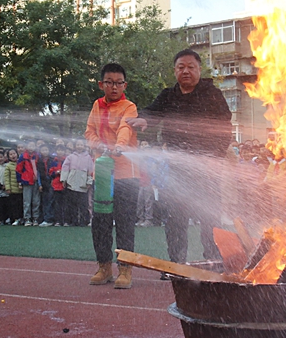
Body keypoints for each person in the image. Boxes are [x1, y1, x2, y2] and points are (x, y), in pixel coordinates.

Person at [128, 49, 233, 265]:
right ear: (175, 71)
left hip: (207, 168)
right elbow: (152, 111)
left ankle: (213, 260)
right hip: (178, 168)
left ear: (199, 69)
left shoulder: (212, 94)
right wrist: (144, 120)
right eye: (180, 67)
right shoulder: (168, 95)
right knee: (175, 218)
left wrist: (215, 158)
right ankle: (177, 263)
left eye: (190, 67)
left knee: (209, 217)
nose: (185, 71)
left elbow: (224, 128)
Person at [85, 63, 140, 289]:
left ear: (124, 85)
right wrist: (99, 145)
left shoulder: (129, 106)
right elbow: (89, 131)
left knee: (125, 223)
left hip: (126, 173)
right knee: (100, 223)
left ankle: (125, 270)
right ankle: (104, 266)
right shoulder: (96, 106)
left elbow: (126, 129)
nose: (114, 87)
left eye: (118, 83)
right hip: (103, 174)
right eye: (109, 82)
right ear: (101, 84)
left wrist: (119, 146)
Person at [61, 139, 94, 226]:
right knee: (72, 204)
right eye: (78, 145)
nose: (79, 146)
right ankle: (73, 221)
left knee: (83, 204)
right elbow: (65, 168)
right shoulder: (70, 157)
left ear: (84, 146)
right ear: (75, 146)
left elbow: (91, 171)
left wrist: (89, 181)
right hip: (72, 184)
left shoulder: (88, 158)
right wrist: (64, 179)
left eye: (81, 145)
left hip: (83, 184)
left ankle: (84, 221)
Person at [17, 141, 41, 226]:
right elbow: (18, 170)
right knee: (27, 201)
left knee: (36, 201)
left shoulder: (37, 156)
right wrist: (19, 181)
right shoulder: (23, 157)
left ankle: (35, 218)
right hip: (26, 181)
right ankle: (27, 218)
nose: (31, 147)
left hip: (36, 182)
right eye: (29, 145)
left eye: (33, 145)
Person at [4, 148, 24, 225]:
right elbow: (6, 177)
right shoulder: (8, 166)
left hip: (21, 188)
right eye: (11, 154)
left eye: (14, 153)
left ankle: (21, 218)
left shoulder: (21, 163)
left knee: (21, 204)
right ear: (8, 156)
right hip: (13, 190)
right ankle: (15, 218)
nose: (13, 156)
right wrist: (8, 188)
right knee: (14, 205)